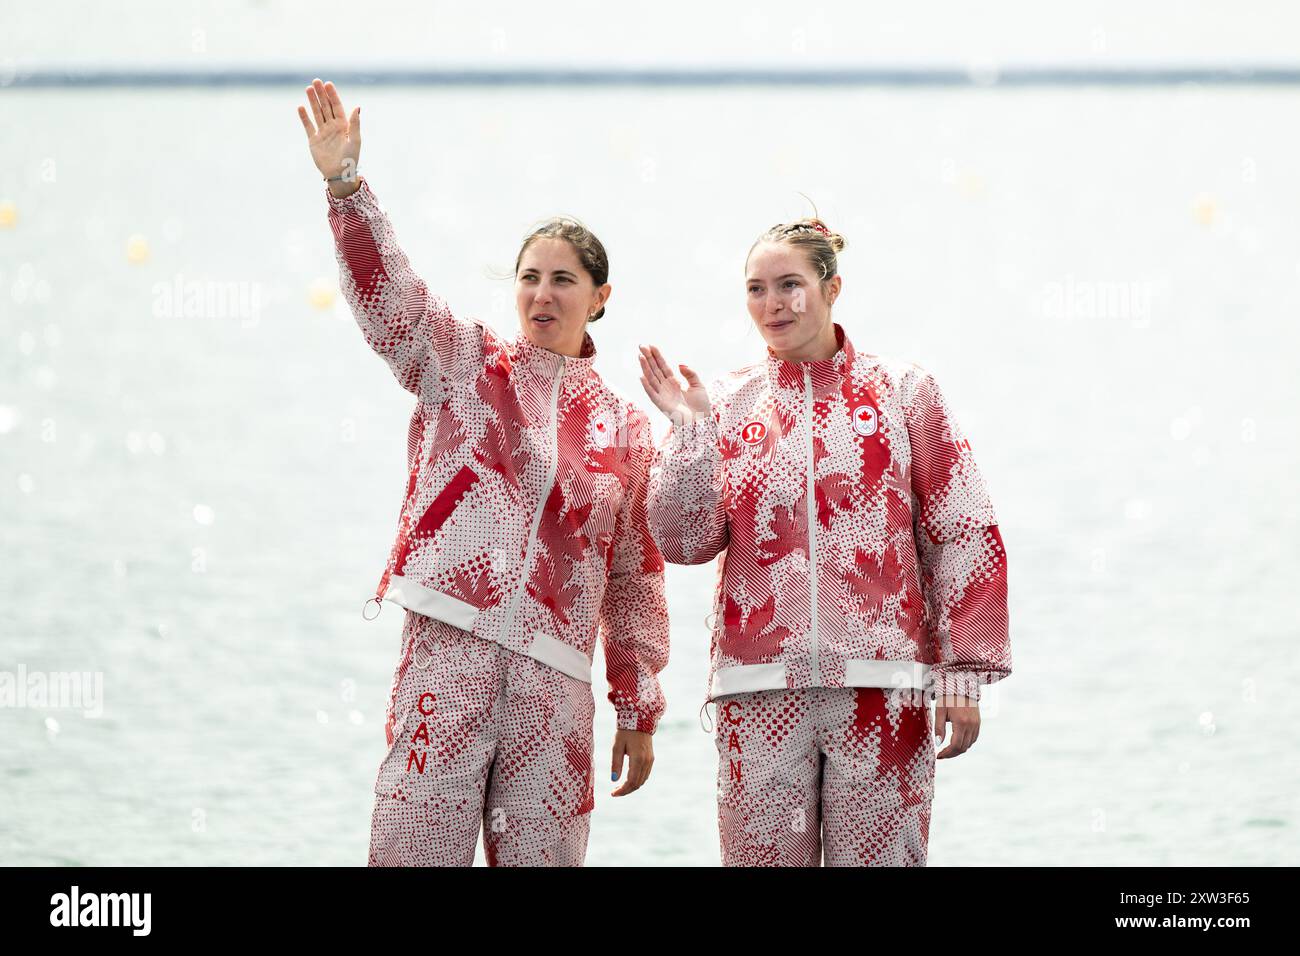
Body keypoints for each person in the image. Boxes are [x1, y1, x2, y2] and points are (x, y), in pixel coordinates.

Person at [297, 78, 669, 866]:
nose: (541, 293)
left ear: (600, 298)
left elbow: (636, 577)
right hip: (449, 653)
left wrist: (636, 702)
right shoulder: (464, 363)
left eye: (563, 279)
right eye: (529, 276)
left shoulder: (626, 428)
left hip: (556, 688)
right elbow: (387, 297)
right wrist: (346, 188)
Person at [639, 217, 1010, 866]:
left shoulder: (904, 392)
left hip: (882, 685)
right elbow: (685, 541)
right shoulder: (726, 403)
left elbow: (962, 530)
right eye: (756, 289)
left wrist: (964, 675)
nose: (772, 304)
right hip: (757, 693)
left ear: (832, 287)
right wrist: (692, 432)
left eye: (790, 285)